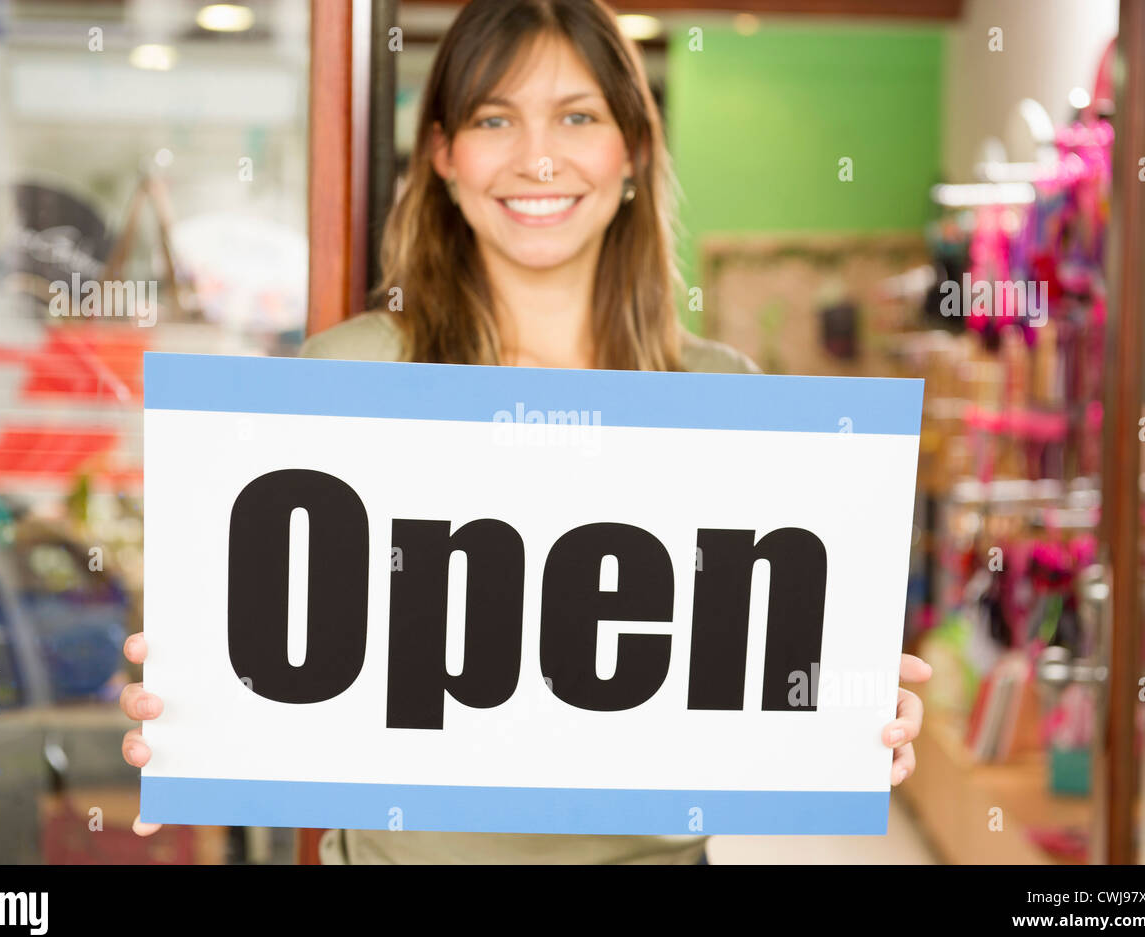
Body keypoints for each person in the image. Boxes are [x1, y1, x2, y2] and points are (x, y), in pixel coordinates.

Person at [120, 0, 931, 864]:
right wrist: (188, 708)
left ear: (634, 151)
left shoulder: (725, 402)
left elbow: (769, 692)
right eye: (494, 118)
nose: (537, 157)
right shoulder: (349, 379)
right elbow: (271, 660)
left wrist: (853, 710)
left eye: (577, 117)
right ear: (442, 154)